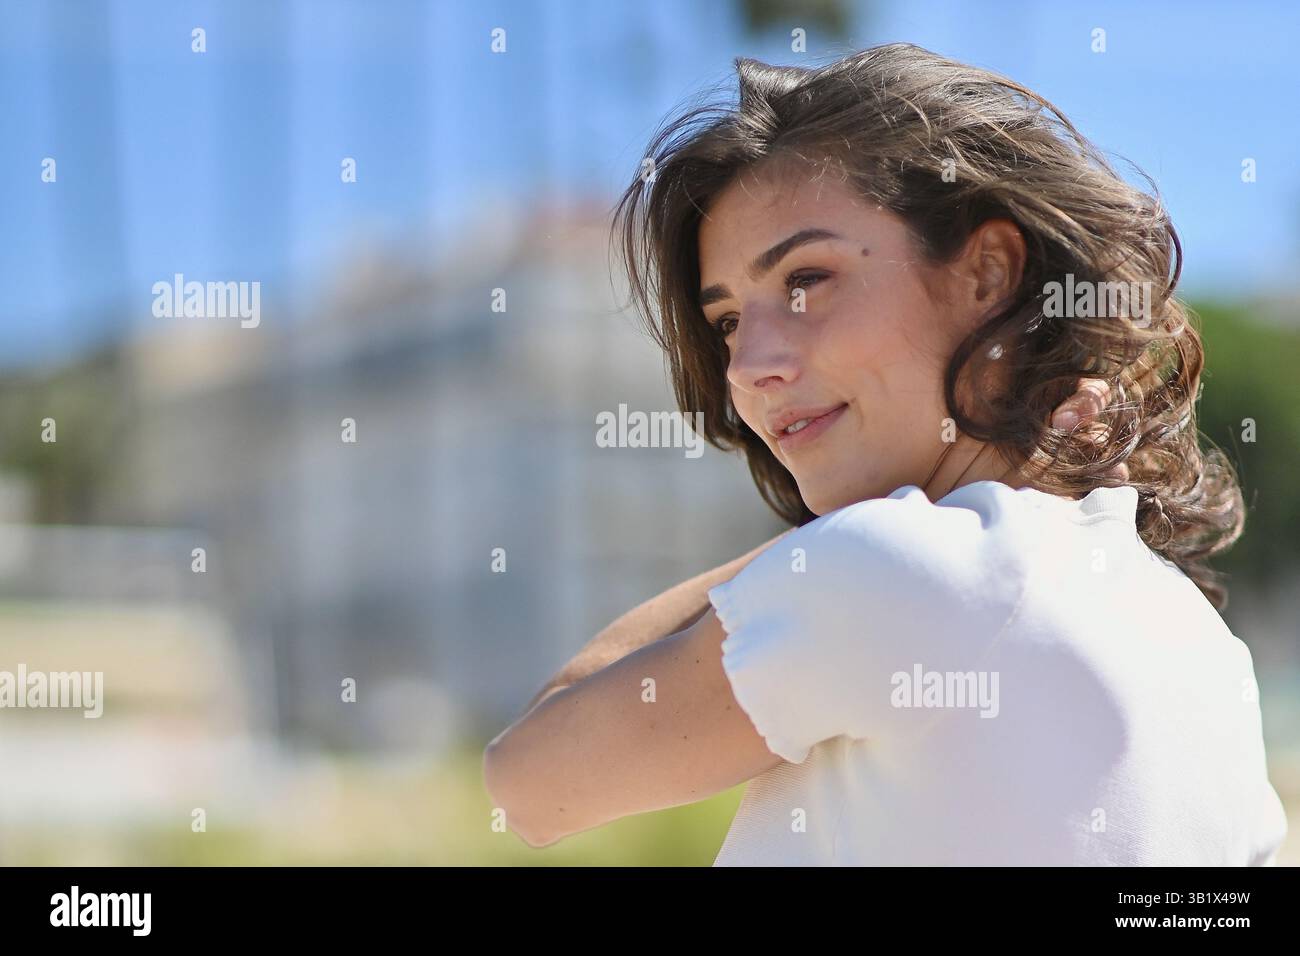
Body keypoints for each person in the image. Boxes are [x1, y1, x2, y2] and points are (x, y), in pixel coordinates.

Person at [483, 43, 1289, 866]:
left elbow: (530, 783)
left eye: (806, 280)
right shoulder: (1200, 643)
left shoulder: (891, 569)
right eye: (726, 320)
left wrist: (830, 548)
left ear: (988, 273)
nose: (749, 366)